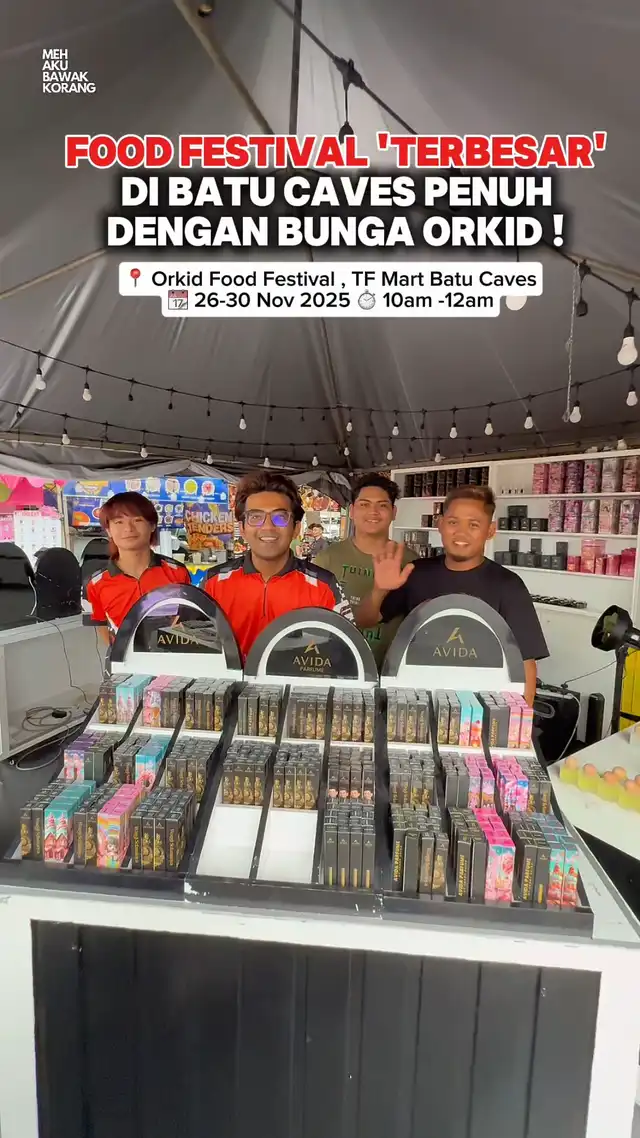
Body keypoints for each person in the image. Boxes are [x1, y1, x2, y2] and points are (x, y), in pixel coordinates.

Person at [355, 485, 548, 705]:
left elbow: (526, 664)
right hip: (416, 701)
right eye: (453, 522)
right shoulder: (417, 573)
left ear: (490, 530)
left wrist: (520, 719)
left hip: (479, 709)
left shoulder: (508, 586)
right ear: (440, 525)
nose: (461, 532)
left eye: (473, 524)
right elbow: (364, 620)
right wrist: (379, 590)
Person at [203, 470, 353, 662]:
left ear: (296, 528)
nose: (268, 527)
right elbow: (192, 649)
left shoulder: (325, 587)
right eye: (255, 517)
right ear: (242, 528)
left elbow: (347, 657)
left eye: (280, 517)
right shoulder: (213, 583)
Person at [314, 473, 418, 667]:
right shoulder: (327, 559)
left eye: (382, 505)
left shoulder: (411, 562)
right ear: (352, 511)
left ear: (394, 512)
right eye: (364, 504)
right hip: (334, 666)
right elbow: (315, 621)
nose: (373, 512)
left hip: (389, 670)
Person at [82, 491, 190, 644]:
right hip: (124, 659)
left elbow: (188, 620)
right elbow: (101, 627)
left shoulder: (177, 572)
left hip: (171, 657)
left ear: (152, 526)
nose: (128, 528)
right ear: (108, 530)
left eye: (137, 520)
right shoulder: (94, 583)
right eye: (119, 522)